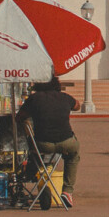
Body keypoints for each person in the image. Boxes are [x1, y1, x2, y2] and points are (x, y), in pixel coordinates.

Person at [18, 76, 80, 208]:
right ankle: (67, 191)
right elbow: (77, 105)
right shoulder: (64, 97)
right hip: (66, 141)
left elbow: (20, 117)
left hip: (42, 144)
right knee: (73, 156)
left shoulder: (34, 99)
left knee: (32, 148)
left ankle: (31, 171)